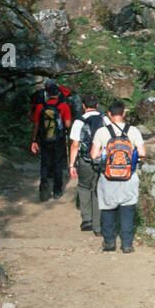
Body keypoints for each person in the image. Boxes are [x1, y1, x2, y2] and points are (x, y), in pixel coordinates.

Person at [90, 100, 146, 253]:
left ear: (109, 114)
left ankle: (109, 242)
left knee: (108, 208)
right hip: (129, 176)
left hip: (108, 177)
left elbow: (93, 154)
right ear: (124, 113)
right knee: (127, 209)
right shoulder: (133, 131)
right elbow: (142, 153)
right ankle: (127, 244)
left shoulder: (102, 132)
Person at [30, 80, 73, 202]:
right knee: (57, 163)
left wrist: (34, 140)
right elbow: (68, 124)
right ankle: (57, 191)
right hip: (59, 140)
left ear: (47, 94)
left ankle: (44, 184)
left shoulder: (40, 107)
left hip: (44, 140)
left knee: (45, 163)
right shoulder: (64, 106)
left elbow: (36, 125)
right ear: (58, 94)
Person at [68, 95, 105, 235]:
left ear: (83, 105)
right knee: (98, 190)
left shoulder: (79, 121)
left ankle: (87, 220)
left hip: (85, 160)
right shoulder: (105, 119)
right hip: (101, 160)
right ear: (97, 104)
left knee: (84, 187)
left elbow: (75, 145)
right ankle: (98, 225)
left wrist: (72, 164)